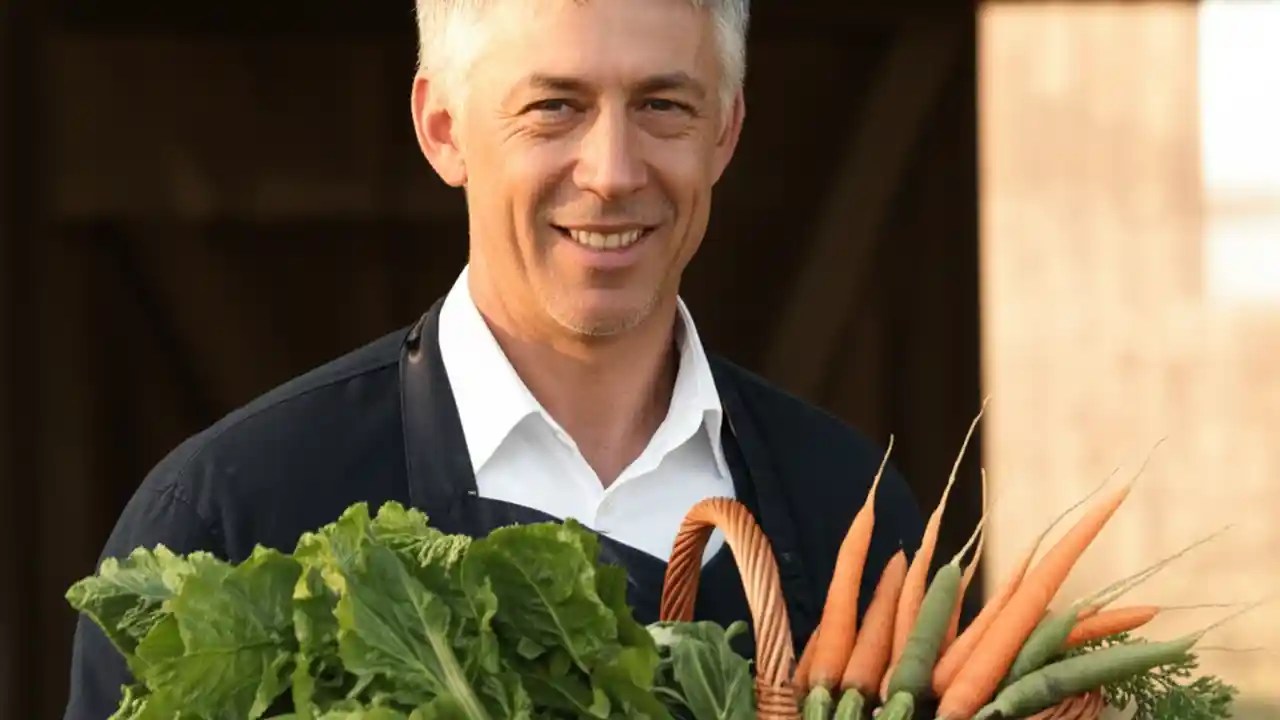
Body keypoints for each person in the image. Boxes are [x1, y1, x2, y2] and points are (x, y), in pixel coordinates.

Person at [63, 0, 925, 717]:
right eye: (556, 106)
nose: (613, 170)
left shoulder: (851, 510)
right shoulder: (231, 518)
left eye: (664, 105)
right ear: (443, 129)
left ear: (726, 133)